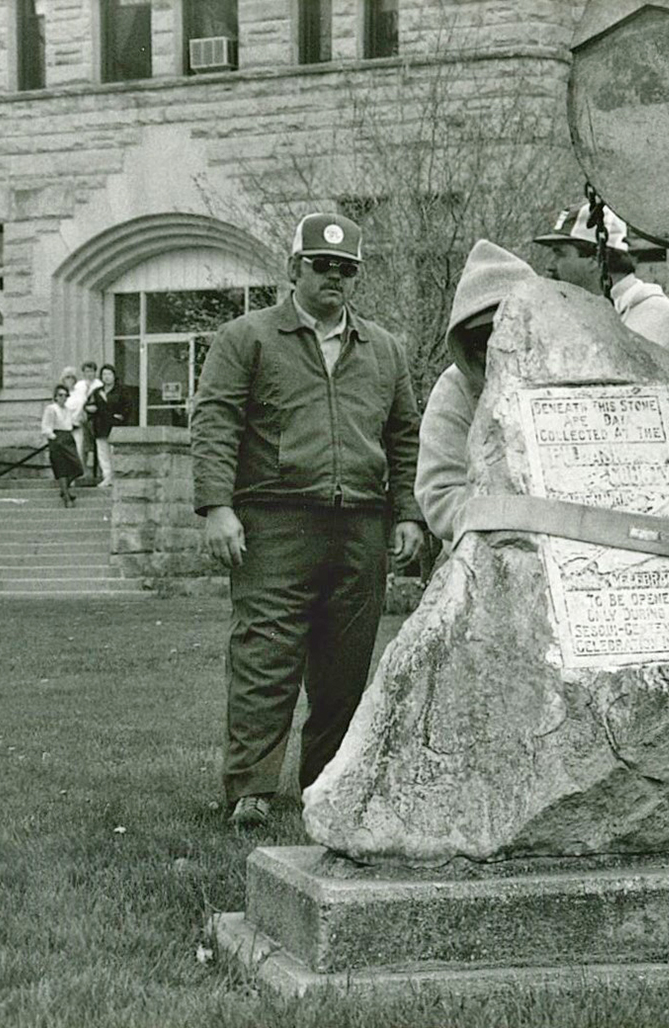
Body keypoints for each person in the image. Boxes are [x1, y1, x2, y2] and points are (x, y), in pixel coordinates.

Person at [191, 212, 424, 829]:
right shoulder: (247, 338)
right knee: (265, 657)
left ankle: (326, 783)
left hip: (359, 528)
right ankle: (251, 790)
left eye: (346, 270)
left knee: (345, 668)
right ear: (294, 269)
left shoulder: (385, 350)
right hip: (274, 524)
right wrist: (218, 507)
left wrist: (407, 514)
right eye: (322, 267)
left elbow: (404, 438)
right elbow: (214, 422)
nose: (334, 280)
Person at [534, 199, 669, 412]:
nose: (550, 266)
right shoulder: (576, 323)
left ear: (595, 258)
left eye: (560, 253)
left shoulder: (664, 319)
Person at [416, 239, 537, 545]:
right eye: (482, 339)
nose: (497, 348)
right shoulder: (454, 389)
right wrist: (516, 521)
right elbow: (439, 496)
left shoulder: (565, 380)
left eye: (508, 330)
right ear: (466, 345)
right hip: (484, 553)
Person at [82, 364, 131, 487]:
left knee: (115, 452)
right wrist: (90, 409)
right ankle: (107, 476)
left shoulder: (121, 390)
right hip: (101, 425)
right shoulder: (97, 391)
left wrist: (122, 416)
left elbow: (128, 406)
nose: (107, 377)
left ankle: (118, 476)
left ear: (114, 375)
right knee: (103, 453)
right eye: (104, 374)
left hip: (116, 425)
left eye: (109, 374)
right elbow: (88, 405)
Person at [41, 384, 84, 507]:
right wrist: (54, 438)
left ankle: (64, 489)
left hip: (68, 439)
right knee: (61, 469)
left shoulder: (68, 410)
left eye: (65, 395)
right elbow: (45, 427)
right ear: (55, 396)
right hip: (57, 439)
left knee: (77, 468)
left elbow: (69, 424)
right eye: (60, 395)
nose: (63, 398)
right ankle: (66, 497)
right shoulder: (51, 409)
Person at [68, 361, 103, 479]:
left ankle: (98, 472)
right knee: (82, 447)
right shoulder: (79, 385)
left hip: (95, 419)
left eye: (92, 371)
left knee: (96, 447)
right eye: (87, 371)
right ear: (83, 373)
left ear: (95, 372)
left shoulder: (99, 385)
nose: (89, 374)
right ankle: (81, 472)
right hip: (81, 420)